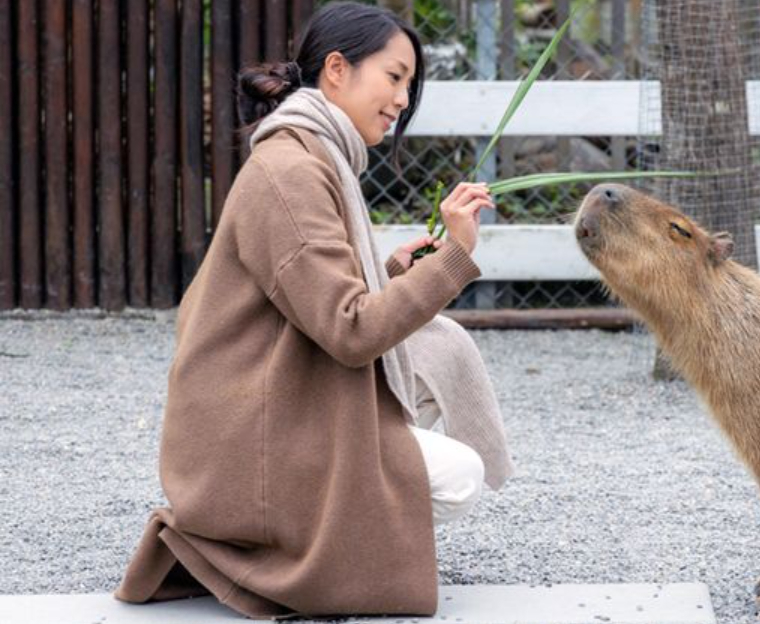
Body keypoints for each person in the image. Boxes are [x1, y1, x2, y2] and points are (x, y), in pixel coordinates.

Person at [113, 2, 513, 618]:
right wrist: (454, 257)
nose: (403, 98)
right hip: (247, 440)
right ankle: (297, 536)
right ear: (335, 69)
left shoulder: (313, 154)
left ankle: (347, 511)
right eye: (395, 76)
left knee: (433, 353)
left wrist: (400, 269)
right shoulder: (292, 170)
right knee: (459, 477)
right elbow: (350, 331)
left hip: (270, 402)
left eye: (409, 84)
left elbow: (311, 301)